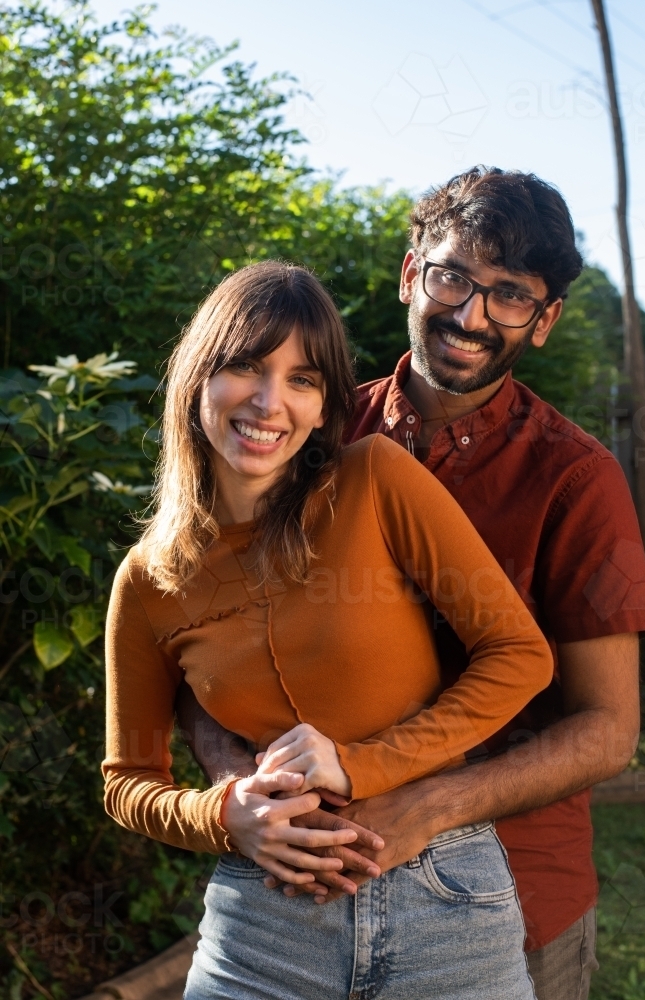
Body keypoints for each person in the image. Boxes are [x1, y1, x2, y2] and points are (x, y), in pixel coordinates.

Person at [180, 167, 645, 1000]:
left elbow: (607, 730)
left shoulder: (576, 480)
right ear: (411, 273)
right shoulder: (304, 432)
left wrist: (428, 808)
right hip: (306, 891)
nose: (470, 315)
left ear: (541, 322)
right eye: (452, 276)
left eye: (509, 295)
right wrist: (236, 788)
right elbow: (198, 643)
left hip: (514, 891)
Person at [103, 260, 555, 1000]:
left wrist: (358, 764)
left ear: (324, 410)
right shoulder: (147, 579)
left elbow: (517, 656)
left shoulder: (376, 480)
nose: (268, 400)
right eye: (244, 365)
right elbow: (129, 782)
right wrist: (223, 814)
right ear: (197, 379)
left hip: (442, 901)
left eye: (303, 379)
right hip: (262, 922)